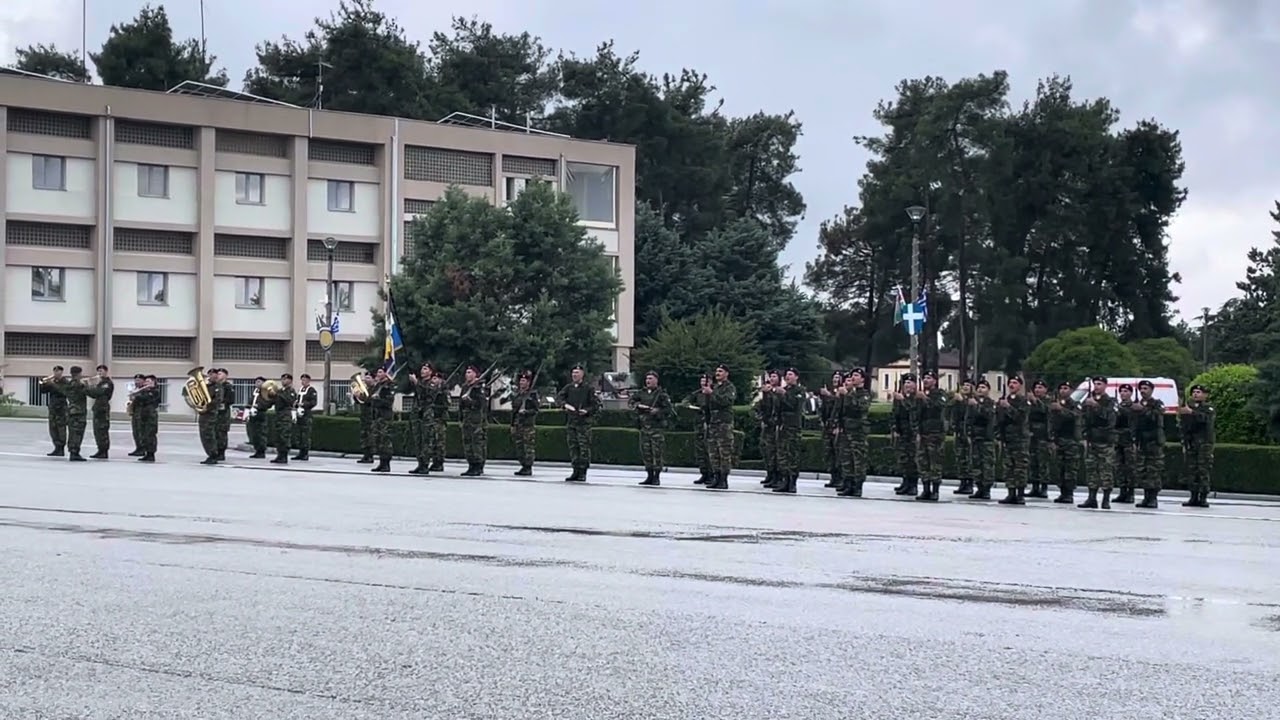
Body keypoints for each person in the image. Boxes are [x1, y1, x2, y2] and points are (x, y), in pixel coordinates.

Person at [1079, 376, 1118, 509]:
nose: (1097, 386)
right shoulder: (1088, 401)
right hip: (1092, 440)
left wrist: (1097, 406)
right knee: (1091, 470)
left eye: (1099, 384)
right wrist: (1084, 436)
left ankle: (1106, 499)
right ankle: (1091, 498)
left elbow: (1110, 419)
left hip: (1105, 441)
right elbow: (1083, 420)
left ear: (1105, 386)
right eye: (1095, 384)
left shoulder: (1110, 401)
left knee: (1106, 470)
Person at [557, 364, 600, 482]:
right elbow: (559, 398)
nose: (574, 375)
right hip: (571, 422)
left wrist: (586, 410)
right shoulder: (568, 388)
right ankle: (575, 470)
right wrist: (564, 405)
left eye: (577, 373)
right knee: (573, 447)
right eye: (573, 373)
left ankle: (583, 472)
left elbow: (595, 405)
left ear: (582, 374)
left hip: (583, 423)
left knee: (583, 447)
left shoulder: (588, 389)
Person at [630, 370, 673, 486]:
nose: (648, 381)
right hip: (644, 427)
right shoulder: (641, 393)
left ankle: (656, 476)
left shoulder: (661, 394)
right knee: (646, 452)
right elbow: (631, 401)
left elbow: (668, 410)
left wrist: (657, 411)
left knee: (657, 453)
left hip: (656, 428)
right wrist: (637, 405)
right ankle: (649, 475)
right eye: (647, 379)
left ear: (656, 381)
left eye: (651, 379)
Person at [1178, 384, 1216, 508]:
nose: (1195, 394)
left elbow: (1205, 420)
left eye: (1198, 392)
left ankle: (1203, 497)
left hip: (1204, 444)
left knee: (1203, 470)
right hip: (1192, 443)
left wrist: (1192, 412)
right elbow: (1185, 426)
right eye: (1194, 392)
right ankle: (1193, 496)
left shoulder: (1208, 408)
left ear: (1205, 395)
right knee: (1192, 470)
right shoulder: (1189, 407)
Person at [913, 371, 949, 502]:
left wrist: (925, 399)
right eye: (924, 378)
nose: (926, 380)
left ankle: (935, 490)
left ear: (935, 380)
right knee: (923, 462)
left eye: (929, 378)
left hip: (936, 433)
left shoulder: (940, 394)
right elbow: (916, 414)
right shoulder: (920, 395)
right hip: (924, 433)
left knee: (935, 462)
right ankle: (926, 489)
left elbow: (939, 407)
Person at [835, 368, 870, 498]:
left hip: (858, 432)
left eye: (856, 375)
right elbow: (841, 411)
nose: (853, 378)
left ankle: (857, 486)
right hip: (846, 429)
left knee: (858, 460)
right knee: (846, 458)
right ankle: (848, 483)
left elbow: (859, 408)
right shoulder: (850, 392)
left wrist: (848, 395)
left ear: (862, 379)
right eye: (852, 376)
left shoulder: (863, 394)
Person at [1131, 379, 1166, 509]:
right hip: (1142, 442)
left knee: (1154, 470)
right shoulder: (1137, 404)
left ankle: (1153, 498)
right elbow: (1134, 424)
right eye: (1141, 389)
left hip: (1154, 441)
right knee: (1143, 470)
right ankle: (1146, 497)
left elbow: (1157, 416)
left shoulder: (1157, 404)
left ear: (1151, 390)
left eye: (1145, 389)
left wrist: (1144, 410)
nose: (1143, 391)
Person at [996, 377, 1031, 505]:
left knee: (1020, 467)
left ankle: (1020, 494)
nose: (1011, 385)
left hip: (1020, 439)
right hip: (1008, 438)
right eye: (1010, 383)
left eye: (1015, 383)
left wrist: (1008, 407)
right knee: (1008, 467)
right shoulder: (1004, 400)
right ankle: (1011, 493)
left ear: (1020, 386)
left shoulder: (1023, 401)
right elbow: (999, 420)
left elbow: (1020, 418)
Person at [771, 368, 806, 494]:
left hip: (793, 427)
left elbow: (793, 405)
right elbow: (777, 408)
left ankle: (792, 481)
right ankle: (784, 479)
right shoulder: (784, 390)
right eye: (786, 375)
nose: (788, 377)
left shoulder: (800, 391)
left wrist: (784, 395)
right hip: (782, 426)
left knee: (792, 454)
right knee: (782, 454)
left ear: (796, 377)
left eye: (791, 374)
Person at [1049, 381, 1083, 504]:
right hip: (1059, 440)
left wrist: (1061, 410)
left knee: (1070, 468)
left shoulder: (1075, 404)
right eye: (1061, 388)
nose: (1063, 391)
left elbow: (1075, 416)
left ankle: (1069, 493)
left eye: (1066, 388)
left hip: (1071, 440)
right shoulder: (1054, 404)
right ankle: (1062, 492)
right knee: (1060, 468)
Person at [704, 364, 737, 489]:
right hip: (713, 423)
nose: (717, 373)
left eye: (721, 371)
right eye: (717, 371)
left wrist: (712, 393)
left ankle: (723, 479)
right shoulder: (714, 386)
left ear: (726, 373)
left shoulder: (729, 387)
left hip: (724, 423)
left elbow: (726, 401)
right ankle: (716, 476)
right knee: (713, 452)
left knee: (724, 452)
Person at [965, 379, 998, 500]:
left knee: (987, 464)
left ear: (988, 390)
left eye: (983, 387)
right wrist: (968, 433)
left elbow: (988, 416)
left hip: (986, 438)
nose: (980, 389)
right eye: (979, 387)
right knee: (976, 463)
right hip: (975, 437)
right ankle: (978, 487)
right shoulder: (972, 402)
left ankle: (986, 489)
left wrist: (977, 406)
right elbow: (968, 420)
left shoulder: (990, 403)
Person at [890, 375, 920, 496]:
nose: (907, 385)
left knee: (912, 459)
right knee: (904, 459)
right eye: (905, 383)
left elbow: (912, 410)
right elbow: (894, 414)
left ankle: (913, 484)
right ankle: (905, 482)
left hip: (912, 432)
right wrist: (894, 428)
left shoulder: (916, 398)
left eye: (910, 383)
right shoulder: (900, 397)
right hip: (902, 431)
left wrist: (903, 400)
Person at [459, 366, 490, 476]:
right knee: (467, 443)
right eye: (466, 372)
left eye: (469, 372)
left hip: (477, 420)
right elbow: (461, 404)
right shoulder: (465, 387)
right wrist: (460, 418)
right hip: (467, 419)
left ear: (475, 375)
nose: (467, 374)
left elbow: (481, 404)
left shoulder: (479, 387)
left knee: (477, 443)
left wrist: (470, 401)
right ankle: (471, 465)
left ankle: (478, 465)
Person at [754, 370, 782, 489]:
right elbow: (762, 407)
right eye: (771, 376)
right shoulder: (767, 392)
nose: (772, 378)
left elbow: (777, 406)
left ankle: (777, 476)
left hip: (775, 426)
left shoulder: (780, 392)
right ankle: (770, 474)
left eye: (774, 376)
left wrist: (771, 392)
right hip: (767, 426)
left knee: (775, 452)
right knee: (766, 450)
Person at [510, 370, 541, 476]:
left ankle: (528, 466)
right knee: (519, 447)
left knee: (528, 447)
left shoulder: (532, 394)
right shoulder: (517, 394)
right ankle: (523, 465)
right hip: (518, 424)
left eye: (524, 381)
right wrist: (512, 424)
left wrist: (526, 412)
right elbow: (514, 410)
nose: (522, 383)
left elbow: (536, 410)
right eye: (521, 381)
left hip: (527, 425)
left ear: (528, 383)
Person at [683, 375, 714, 485]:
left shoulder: (713, 393)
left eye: (705, 381)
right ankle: (704, 473)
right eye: (701, 381)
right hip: (699, 424)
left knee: (709, 450)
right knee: (700, 450)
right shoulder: (697, 393)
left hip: (710, 425)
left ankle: (712, 474)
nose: (702, 383)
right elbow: (685, 401)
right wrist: (693, 407)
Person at [1027, 380, 1054, 498]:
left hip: (1043, 436)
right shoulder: (1029, 403)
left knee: (1043, 463)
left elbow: (1046, 411)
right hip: (1032, 435)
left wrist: (1035, 401)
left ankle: (1044, 487)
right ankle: (1035, 486)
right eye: (1036, 388)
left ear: (1045, 390)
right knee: (1033, 463)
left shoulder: (1048, 401)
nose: (1038, 390)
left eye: (1040, 387)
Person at [408, 364, 437, 475]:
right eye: (422, 368)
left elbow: (429, 393)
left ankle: (425, 464)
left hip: (427, 415)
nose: (422, 371)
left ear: (430, 372)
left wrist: (417, 383)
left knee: (426, 440)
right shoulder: (420, 382)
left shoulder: (432, 383)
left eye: (425, 369)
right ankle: (420, 463)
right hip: (417, 414)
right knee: (418, 440)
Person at [818, 371, 844, 489]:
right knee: (829, 453)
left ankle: (840, 478)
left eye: (838, 378)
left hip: (836, 427)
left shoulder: (842, 392)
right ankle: (833, 477)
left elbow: (838, 406)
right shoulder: (831, 391)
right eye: (834, 378)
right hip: (828, 425)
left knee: (838, 453)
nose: (835, 380)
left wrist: (828, 395)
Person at [1113, 384, 1138, 504]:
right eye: (1121, 391)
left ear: (1131, 393)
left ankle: (1130, 493)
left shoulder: (1134, 407)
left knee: (1130, 468)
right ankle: (1122, 491)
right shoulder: (1117, 407)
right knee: (1119, 467)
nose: (1123, 393)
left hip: (1129, 441)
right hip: (1118, 441)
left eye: (1126, 391)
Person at [950, 378, 975, 495]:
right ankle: (962, 481)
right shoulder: (957, 400)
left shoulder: (973, 401)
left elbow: (970, 414)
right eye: (964, 385)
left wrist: (963, 402)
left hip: (969, 433)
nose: (965, 387)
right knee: (960, 457)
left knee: (969, 458)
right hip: (960, 432)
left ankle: (969, 482)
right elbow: (951, 412)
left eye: (968, 385)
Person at [60, 366, 90, 462]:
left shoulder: (69, 384)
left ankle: (72, 451)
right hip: (79, 412)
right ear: (79, 374)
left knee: (72, 432)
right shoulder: (79, 385)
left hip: (71, 411)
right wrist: (88, 385)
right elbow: (91, 392)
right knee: (77, 433)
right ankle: (75, 452)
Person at [368, 368, 396, 473]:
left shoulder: (389, 386)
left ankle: (386, 463)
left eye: (380, 372)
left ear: (386, 373)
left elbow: (388, 402)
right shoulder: (378, 386)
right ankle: (381, 462)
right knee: (378, 440)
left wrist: (377, 399)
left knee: (385, 440)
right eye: (377, 372)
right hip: (377, 417)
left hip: (385, 417)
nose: (378, 374)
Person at [39, 365, 69, 456]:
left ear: (61, 372)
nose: (56, 373)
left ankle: (61, 448)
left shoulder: (65, 382)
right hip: (53, 408)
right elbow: (43, 392)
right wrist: (43, 383)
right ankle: (56, 447)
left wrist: (53, 384)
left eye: (58, 371)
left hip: (61, 408)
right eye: (55, 371)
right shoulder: (53, 381)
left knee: (61, 428)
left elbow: (63, 392)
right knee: (53, 428)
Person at [86, 365, 114, 459]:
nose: (99, 373)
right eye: (98, 371)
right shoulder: (100, 383)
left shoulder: (107, 383)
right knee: (97, 431)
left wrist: (89, 386)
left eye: (101, 371)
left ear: (106, 371)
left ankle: (104, 450)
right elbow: (93, 395)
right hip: (98, 408)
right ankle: (100, 449)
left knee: (102, 430)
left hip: (103, 409)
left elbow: (97, 393)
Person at [270, 373, 298, 464]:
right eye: (282, 379)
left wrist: (278, 395)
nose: (283, 381)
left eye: (285, 379)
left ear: (290, 381)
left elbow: (289, 401)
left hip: (286, 415)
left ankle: (284, 455)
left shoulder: (291, 391)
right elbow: (273, 401)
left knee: (284, 436)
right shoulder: (280, 391)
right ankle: (279, 455)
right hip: (278, 415)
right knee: (278, 436)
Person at [197, 368, 222, 465]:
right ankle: (209, 454)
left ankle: (213, 455)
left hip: (211, 413)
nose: (211, 376)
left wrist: (207, 406)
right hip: (203, 414)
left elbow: (218, 400)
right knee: (204, 435)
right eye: (210, 374)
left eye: (213, 374)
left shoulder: (218, 386)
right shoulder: (206, 386)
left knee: (209, 435)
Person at [134, 375, 160, 462]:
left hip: (150, 416)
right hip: (143, 415)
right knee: (143, 434)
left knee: (150, 435)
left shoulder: (155, 391)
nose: (146, 383)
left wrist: (137, 394)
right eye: (146, 381)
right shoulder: (144, 391)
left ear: (153, 383)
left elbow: (146, 399)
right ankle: (146, 452)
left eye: (148, 381)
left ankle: (151, 454)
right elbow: (138, 401)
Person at [292, 373, 317, 461]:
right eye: (302, 380)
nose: (303, 382)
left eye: (305, 380)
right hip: (299, 414)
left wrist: (304, 404)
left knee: (305, 435)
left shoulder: (311, 390)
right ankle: (300, 452)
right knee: (299, 435)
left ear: (309, 381)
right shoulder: (300, 390)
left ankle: (305, 453)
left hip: (306, 415)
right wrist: (295, 404)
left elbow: (313, 402)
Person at [246, 376, 271, 459]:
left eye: (259, 382)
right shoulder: (255, 391)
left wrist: (258, 406)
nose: (257, 383)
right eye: (256, 382)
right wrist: (248, 407)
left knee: (261, 433)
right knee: (254, 433)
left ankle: (261, 451)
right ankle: (257, 450)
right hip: (253, 413)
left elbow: (267, 403)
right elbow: (251, 400)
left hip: (260, 413)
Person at [357, 371, 376, 464]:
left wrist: (361, 397)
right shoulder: (365, 389)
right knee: (364, 435)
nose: (365, 380)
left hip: (371, 415)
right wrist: (356, 396)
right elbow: (360, 401)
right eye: (365, 378)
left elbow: (369, 400)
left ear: (373, 379)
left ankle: (370, 455)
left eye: (368, 378)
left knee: (370, 436)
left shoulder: (374, 389)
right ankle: (365, 454)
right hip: (364, 415)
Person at [215, 368, 234, 461]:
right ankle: (215, 451)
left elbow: (231, 400)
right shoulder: (215, 386)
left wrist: (223, 403)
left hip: (223, 413)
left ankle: (221, 453)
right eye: (217, 374)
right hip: (215, 413)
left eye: (220, 374)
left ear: (225, 375)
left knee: (222, 433)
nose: (218, 375)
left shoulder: (228, 386)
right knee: (214, 433)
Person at [127, 373, 146, 456]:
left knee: (141, 432)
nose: (136, 382)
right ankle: (138, 447)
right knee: (135, 432)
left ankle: (142, 448)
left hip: (142, 414)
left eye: (138, 380)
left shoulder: (145, 390)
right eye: (135, 380)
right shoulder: (135, 389)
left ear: (143, 381)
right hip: (135, 413)